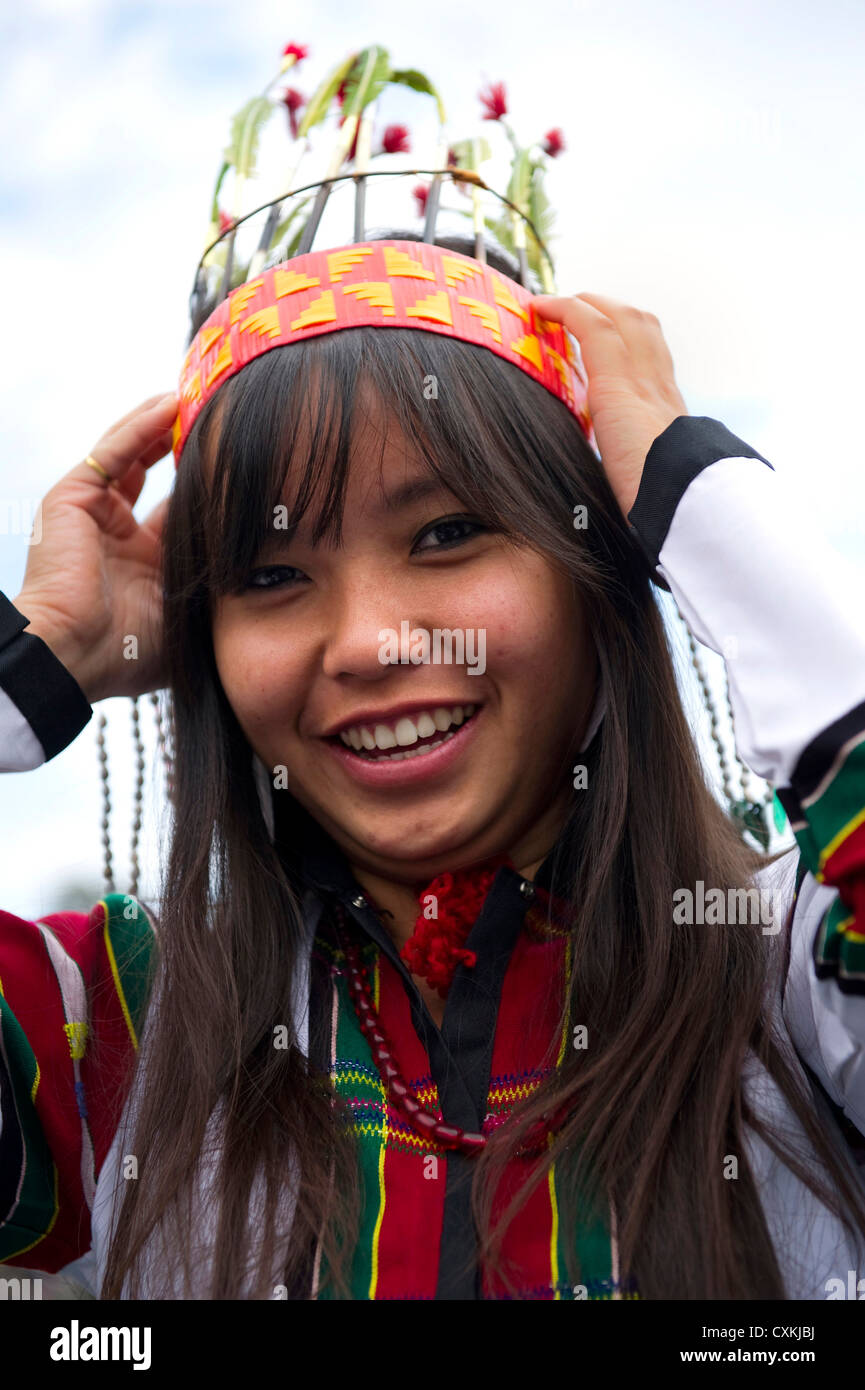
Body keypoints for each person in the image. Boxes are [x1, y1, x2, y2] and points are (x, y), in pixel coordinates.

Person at [1, 226, 864, 1301]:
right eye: (271, 576)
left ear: (600, 570)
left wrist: (699, 499)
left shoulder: (801, 988)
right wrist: (33, 668)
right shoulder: (115, 1036)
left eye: (448, 532)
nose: (368, 641)